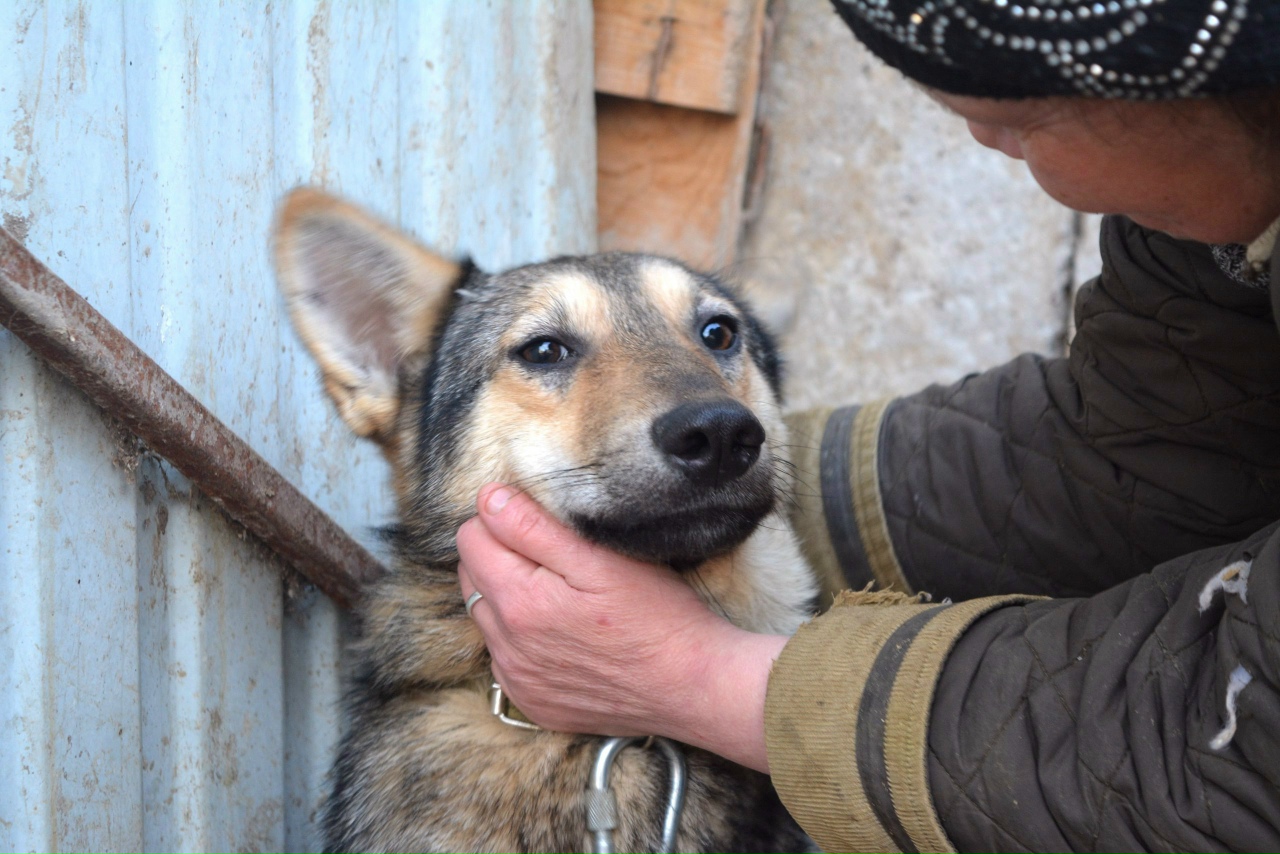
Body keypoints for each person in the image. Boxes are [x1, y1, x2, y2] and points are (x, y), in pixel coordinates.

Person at [456, 1, 1280, 851]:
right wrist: (745, 475)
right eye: (547, 350)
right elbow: (1148, 439)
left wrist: (705, 681)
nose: (986, 142)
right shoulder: (1223, 229)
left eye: (1024, 118)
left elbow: (1246, 747)